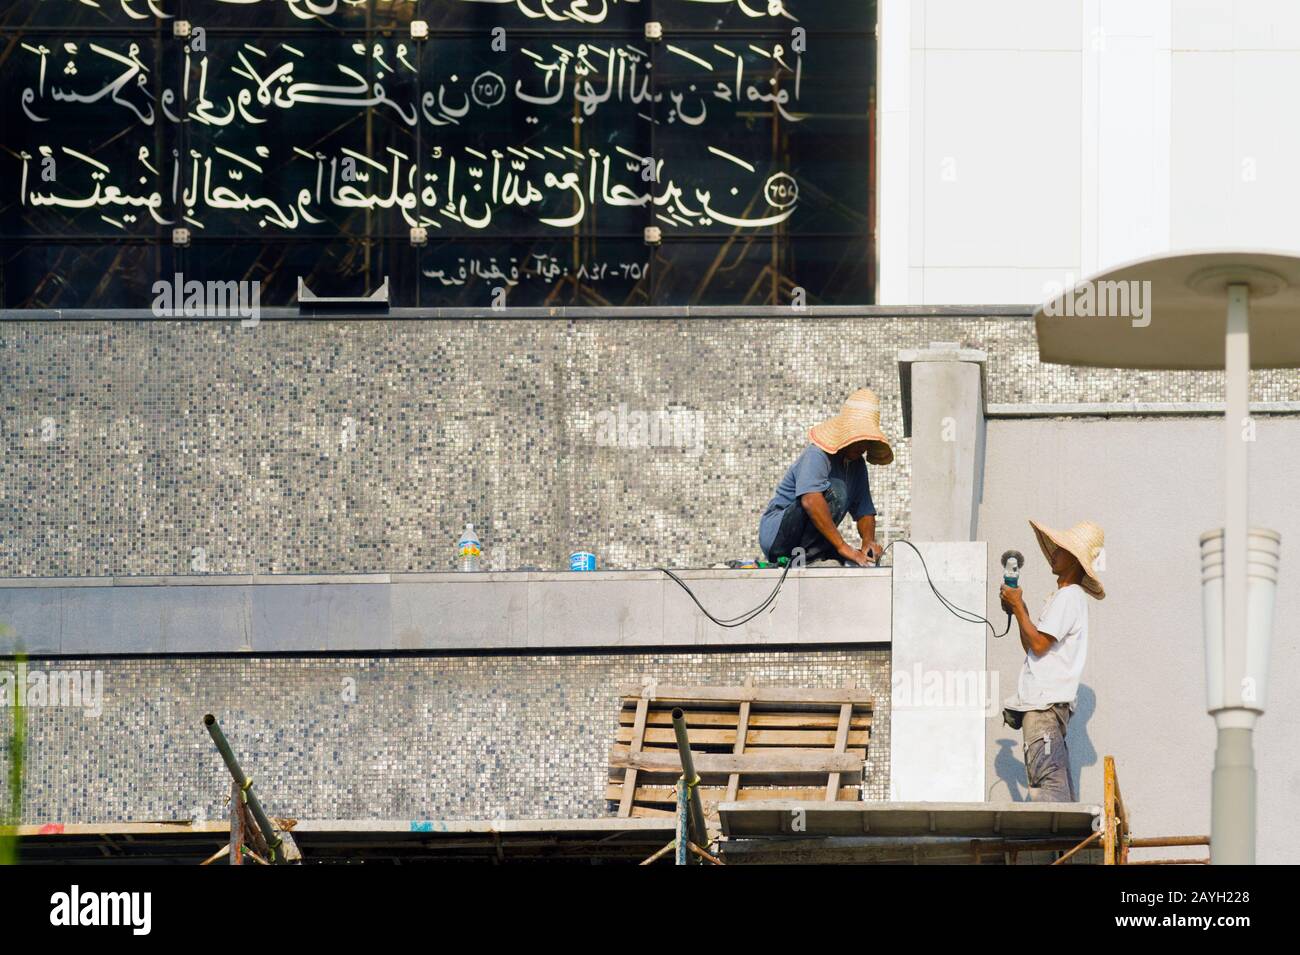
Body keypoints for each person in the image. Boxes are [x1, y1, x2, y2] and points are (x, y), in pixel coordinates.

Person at [999, 519, 1105, 802]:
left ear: (1073, 560)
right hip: (1046, 707)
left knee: (1049, 792)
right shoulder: (1063, 598)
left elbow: (1037, 643)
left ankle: (1052, 847)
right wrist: (1019, 609)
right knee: (1054, 791)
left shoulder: (1069, 596)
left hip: (1044, 708)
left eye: (1060, 550)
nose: (1054, 553)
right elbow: (1033, 647)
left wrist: (1019, 607)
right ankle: (1059, 846)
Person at [759, 388, 893, 567]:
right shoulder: (817, 454)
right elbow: (810, 500)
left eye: (867, 441)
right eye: (858, 439)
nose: (863, 446)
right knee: (836, 489)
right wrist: (842, 546)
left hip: (811, 543)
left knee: (849, 562)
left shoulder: (858, 465)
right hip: (778, 538)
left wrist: (868, 541)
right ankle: (812, 557)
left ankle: (817, 555)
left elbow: (865, 512)